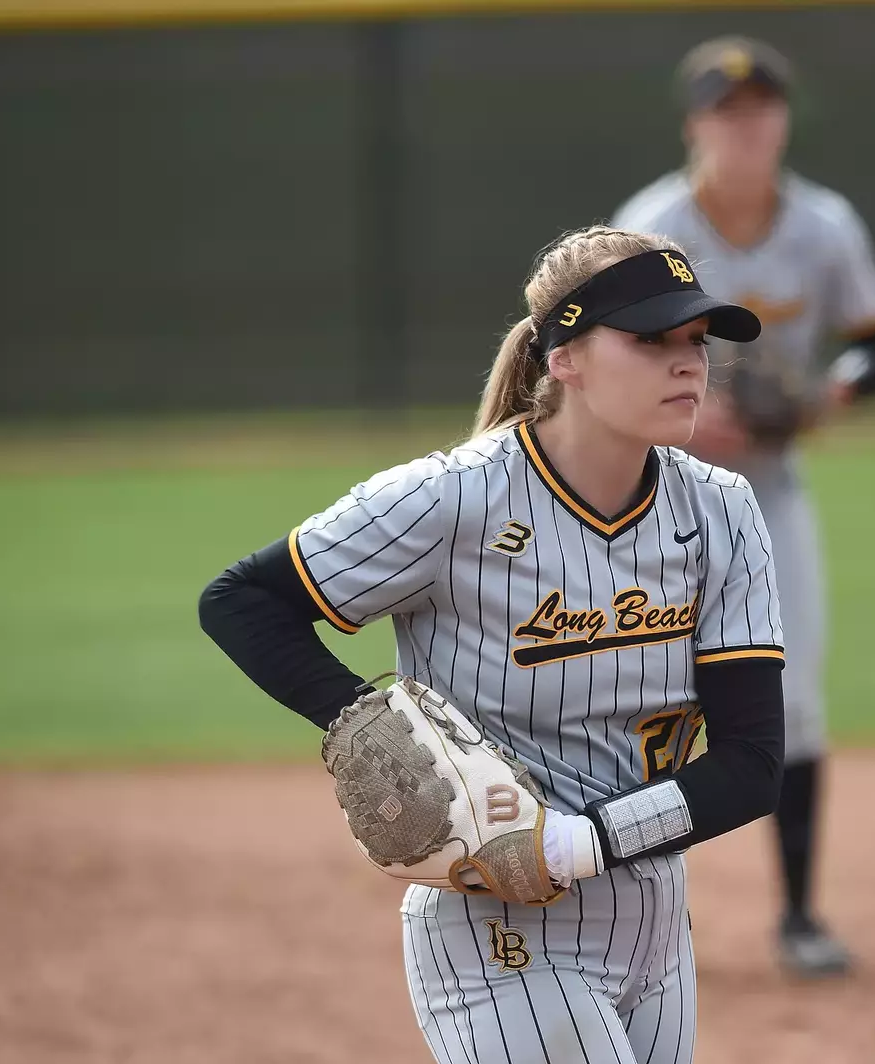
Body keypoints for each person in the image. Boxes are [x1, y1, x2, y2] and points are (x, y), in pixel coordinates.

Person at [199, 226, 787, 1064]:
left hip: (658, 932)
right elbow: (243, 601)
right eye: (652, 339)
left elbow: (753, 762)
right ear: (565, 358)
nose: (689, 363)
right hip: (497, 931)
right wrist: (367, 722)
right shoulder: (455, 500)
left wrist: (575, 844)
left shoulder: (721, 510)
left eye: (696, 340)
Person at [612, 35, 875, 978]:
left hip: (769, 493)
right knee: (623, 698)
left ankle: (801, 917)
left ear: (783, 121)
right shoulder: (653, 225)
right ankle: (619, 915)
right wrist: (687, 419)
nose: (746, 127)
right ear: (694, 126)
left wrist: (831, 394)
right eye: (726, 112)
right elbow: (600, 355)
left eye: (761, 109)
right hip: (650, 493)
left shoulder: (824, 225)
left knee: (794, 699)